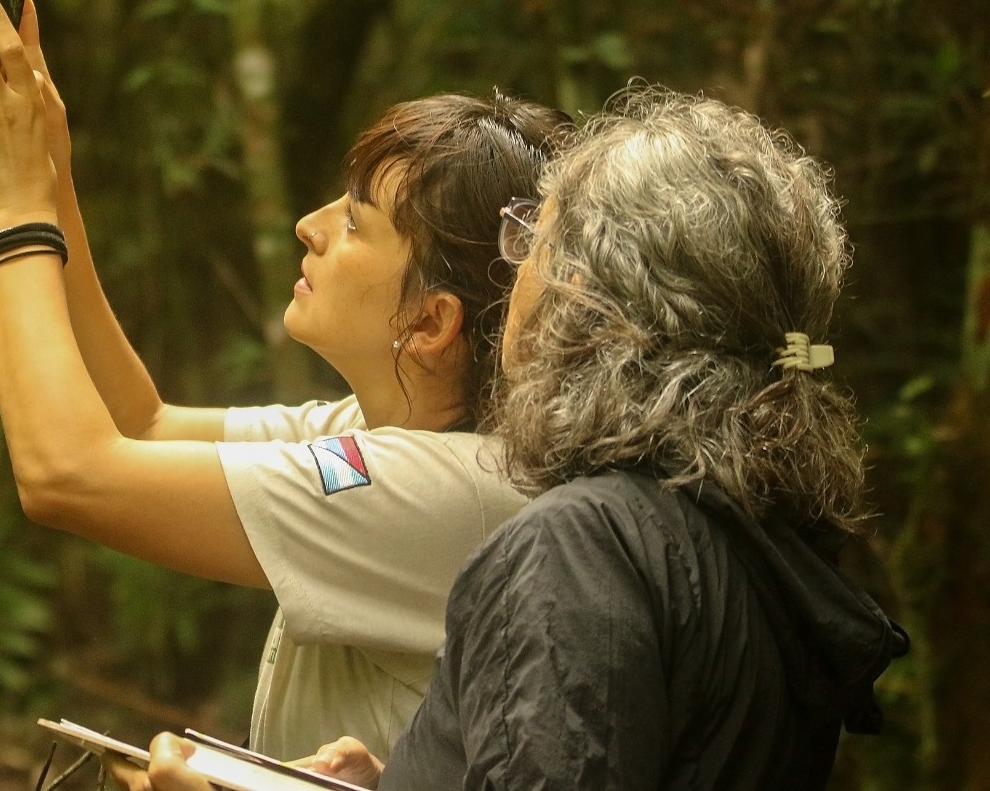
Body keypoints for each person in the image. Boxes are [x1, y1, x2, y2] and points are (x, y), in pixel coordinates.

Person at [143, 90, 907, 791]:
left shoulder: (582, 547)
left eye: (530, 242)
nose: (512, 278)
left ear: (593, 300)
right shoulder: (749, 542)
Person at [0, 0, 571, 761]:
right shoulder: (378, 432)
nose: (311, 226)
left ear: (431, 322)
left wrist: (10, 212)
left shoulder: (450, 486)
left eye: (355, 224)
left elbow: (67, 475)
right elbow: (142, 426)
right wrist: (50, 174)